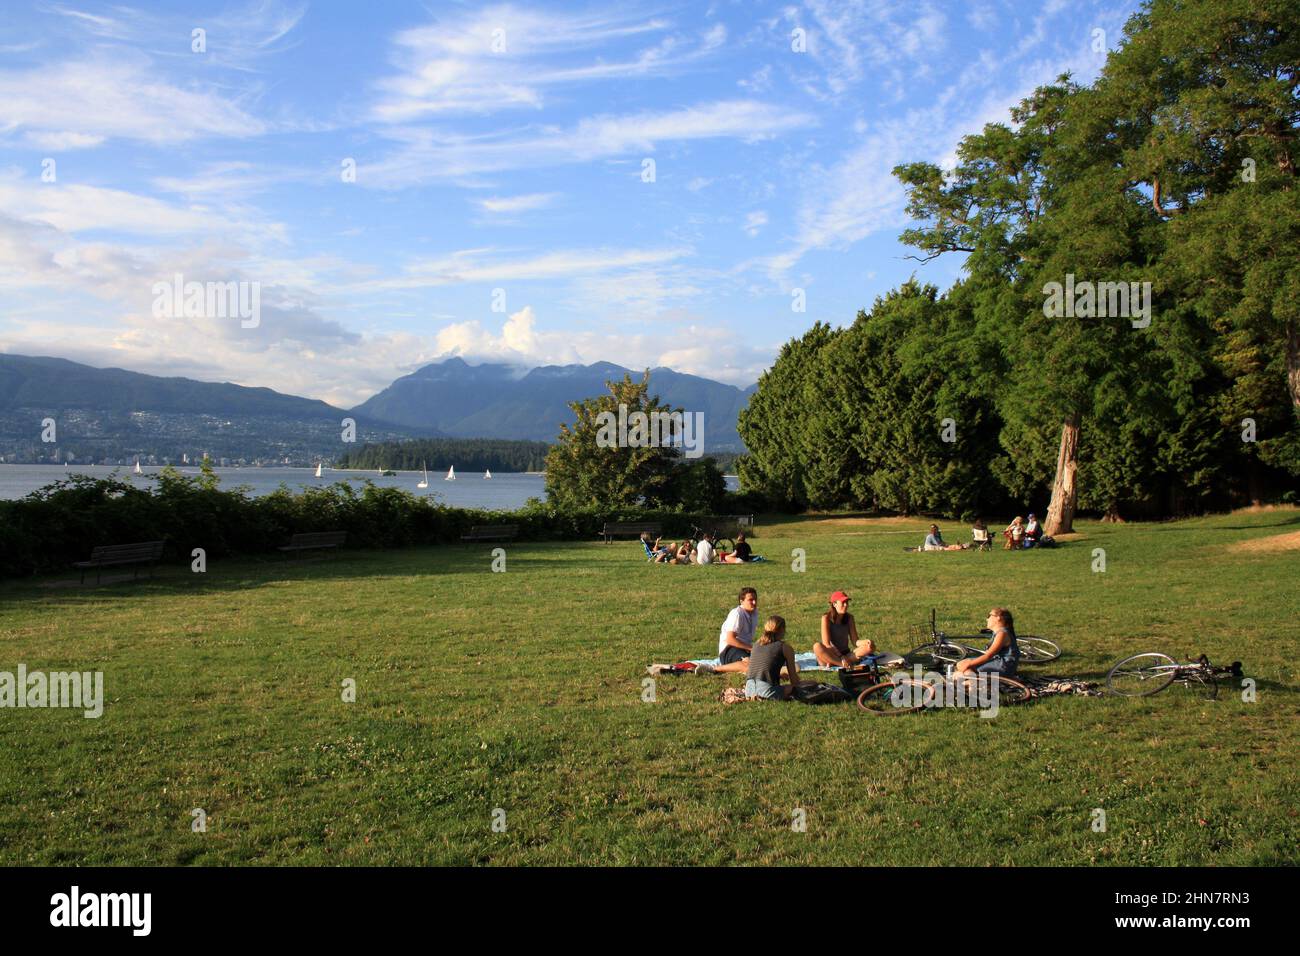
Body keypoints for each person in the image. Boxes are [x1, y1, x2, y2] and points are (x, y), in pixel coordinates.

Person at [697, 587, 758, 674]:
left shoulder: (754, 613)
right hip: (729, 649)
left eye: (755, 599)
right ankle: (714, 669)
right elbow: (730, 639)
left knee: (762, 663)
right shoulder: (737, 614)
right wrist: (751, 648)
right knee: (750, 666)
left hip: (744, 648)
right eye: (751, 600)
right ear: (741, 601)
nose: (754, 603)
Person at [745, 615, 803, 700]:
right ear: (782, 630)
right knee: (804, 686)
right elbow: (794, 681)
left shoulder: (756, 644)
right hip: (766, 690)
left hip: (749, 689)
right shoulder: (785, 647)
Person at [813, 590, 875, 666]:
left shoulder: (850, 618)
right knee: (817, 646)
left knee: (870, 648)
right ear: (834, 604)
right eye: (843, 602)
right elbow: (827, 644)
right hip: (832, 653)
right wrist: (841, 657)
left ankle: (834, 662)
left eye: (847, 602)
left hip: (846, 654)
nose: (846, 605)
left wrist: (866, 642)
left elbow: (855, 641)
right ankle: (841, 664)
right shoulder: (826, 618)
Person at [954, 607, 1020, 677]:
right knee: (960, 664)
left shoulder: (1002, 634)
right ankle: (972, 681)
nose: (987, 619)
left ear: (998, 618)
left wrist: (969, 664)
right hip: (997, 662)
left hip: (1003, 666)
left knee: (966, 669)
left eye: (989, 616)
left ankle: (976, 683)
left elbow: (988, 655)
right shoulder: (999, 632)